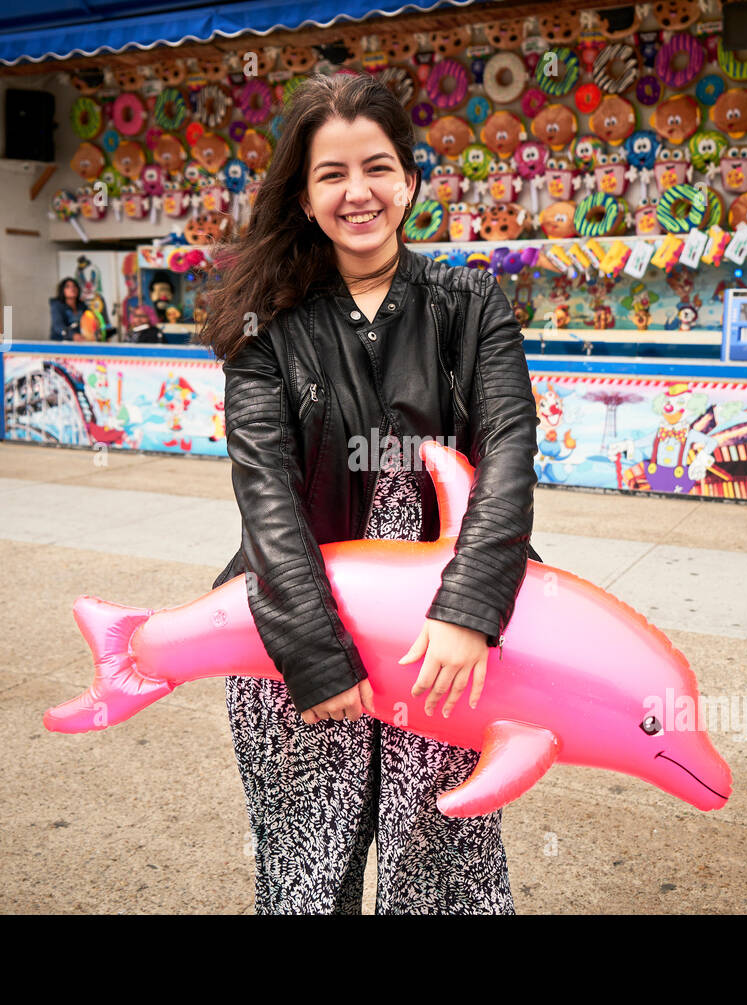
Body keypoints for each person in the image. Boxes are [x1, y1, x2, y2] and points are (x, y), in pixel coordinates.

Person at [197, 73, 541, 915]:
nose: (359, 193)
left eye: (378, 167)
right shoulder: (265, 319)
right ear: (305, 196)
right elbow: (264, 490)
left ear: (412, 179)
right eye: (332, 174)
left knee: (444, 869)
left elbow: (507, 457)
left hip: (442, 650)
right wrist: (314, 655)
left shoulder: (471, 303)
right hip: (298, 631)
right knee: (307, 877)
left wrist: (468, 609)